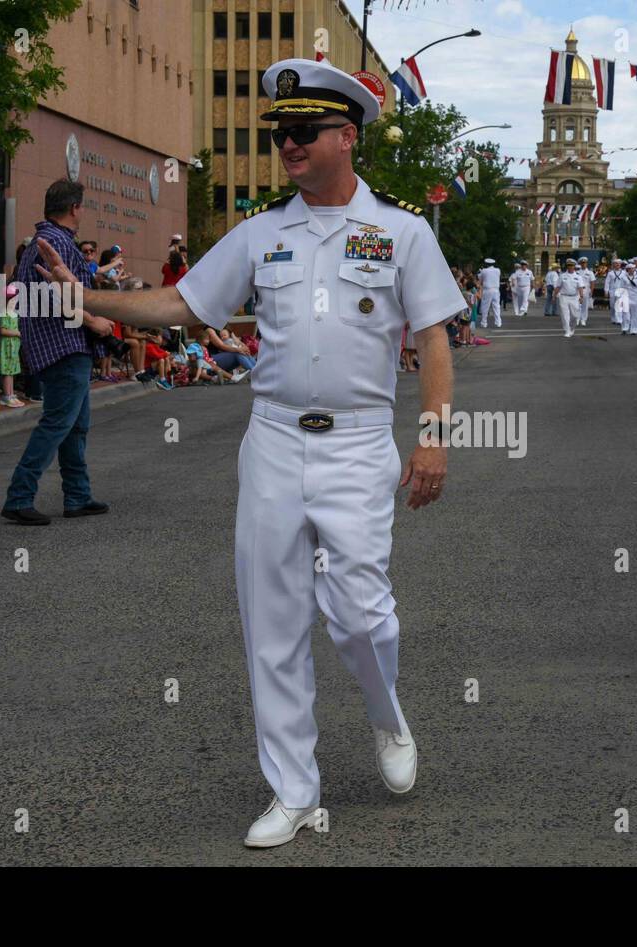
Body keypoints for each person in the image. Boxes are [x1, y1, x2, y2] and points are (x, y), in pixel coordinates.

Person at [28, 58, 465, 848]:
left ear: (346, 136)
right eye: (280, 133)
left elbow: (433, 337)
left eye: (301, 132)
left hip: (361, 441)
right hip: (273, 438)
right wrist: (81, 293)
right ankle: (293, 790)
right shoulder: (263, 231)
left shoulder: (401, 231)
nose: (286, 146)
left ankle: (384, 715)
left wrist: (433, 436)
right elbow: (180, 305)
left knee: (363, 615)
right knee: (272, 620)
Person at [0, 180, 114, 525]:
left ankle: (77, 496)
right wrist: (94, 321)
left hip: (51, 345)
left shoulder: (42, 241)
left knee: (74, 425)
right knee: (57, 424)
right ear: (74, 208)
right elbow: (57, 297)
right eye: (83, 207)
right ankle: (19, 496)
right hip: (65, 345)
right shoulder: (59, 243)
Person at [0, 287, 26, 407]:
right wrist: (18, 333)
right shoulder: (4, 313)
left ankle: (11, 394)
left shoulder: (13, 313)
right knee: (7, 372)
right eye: (12, 300)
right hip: (6, 347)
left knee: (11, 371)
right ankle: (7, 395)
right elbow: (2, 331)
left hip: (13, 347)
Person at [556, 258, 583, 337]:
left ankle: (572, 328)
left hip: (574, 297)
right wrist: (554, 296)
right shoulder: (562, 276)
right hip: (564, 297)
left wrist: (581, 297)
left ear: (574, 266)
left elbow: (580, 287)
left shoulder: (578, 277)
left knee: (575, 316)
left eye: (571, 265)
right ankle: (567, 330)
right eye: (568, 265)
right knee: (565, 315)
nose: (570, 267)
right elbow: (558, 286)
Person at [477, 257, 502, 328]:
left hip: (487, 290)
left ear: (486, 264)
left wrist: (480, 273)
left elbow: (480, 280)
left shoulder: (484, 271)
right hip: (496, 290)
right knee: (496, 306)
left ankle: (484, 322)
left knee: (485, 307)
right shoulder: (498, 270)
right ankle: (498, 322)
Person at [576, 257, 595, 327]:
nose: (583, 264)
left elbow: (592, 282)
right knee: (577, 305)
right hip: (578, 290)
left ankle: (583, 319)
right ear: (580, 264)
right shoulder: (577, 272)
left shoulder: (590, 272)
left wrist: (591, 291)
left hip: (586, 290)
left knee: (585, 305)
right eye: (582, 263)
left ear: (586, 264)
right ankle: (577, 318)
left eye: (585, 263)